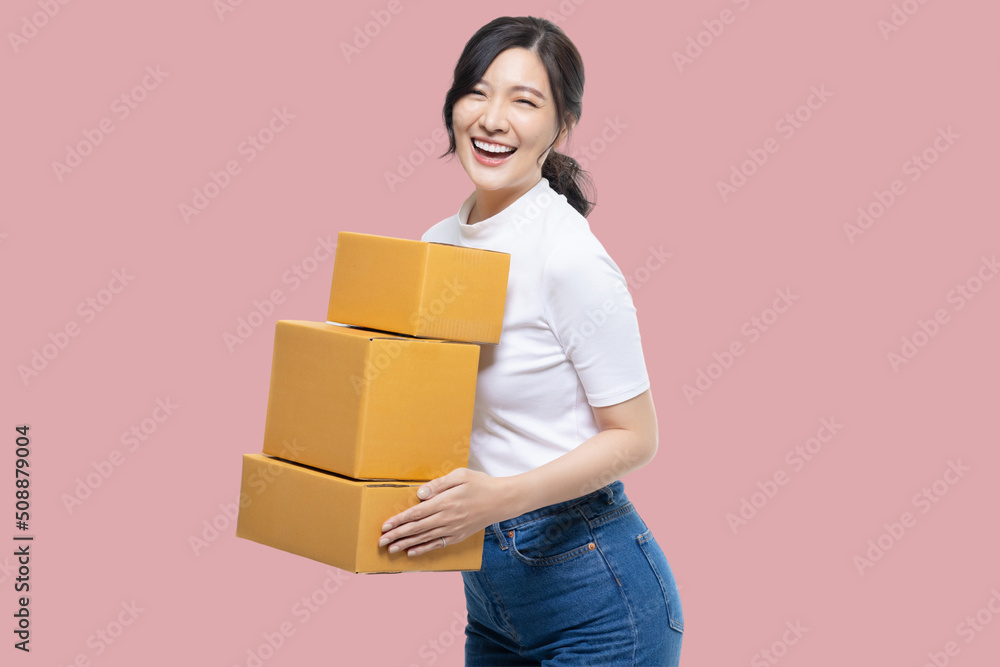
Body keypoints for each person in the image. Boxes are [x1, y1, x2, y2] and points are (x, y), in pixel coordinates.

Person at [377, 16, 683, 666]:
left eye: (524, 101)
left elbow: (636, 437)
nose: (492, 119)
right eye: (477, 93)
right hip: (493, 601)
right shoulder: (437, 244)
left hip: (598, 601)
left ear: (561, 126)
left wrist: (497, 498)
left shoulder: (567, 257)